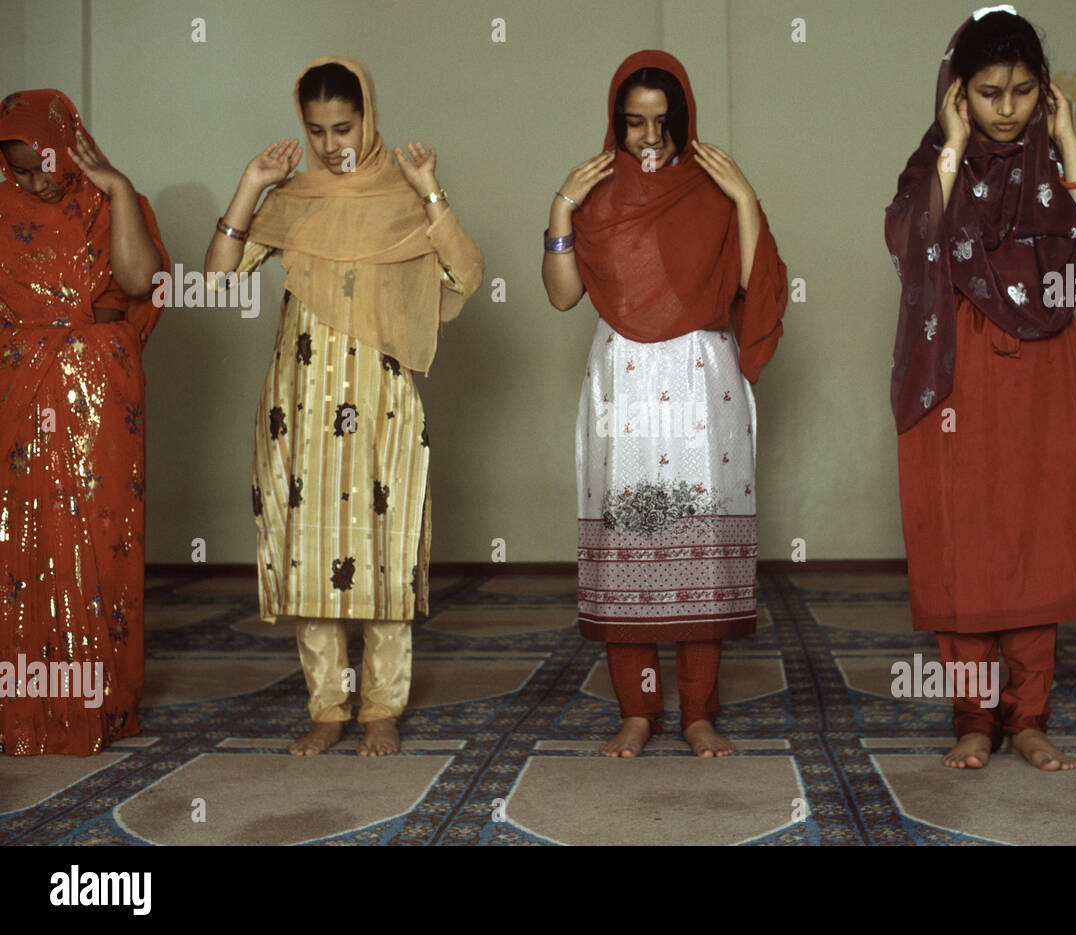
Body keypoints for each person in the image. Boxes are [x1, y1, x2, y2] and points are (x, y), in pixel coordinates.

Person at [203, 57, 483, 757]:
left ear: (370, 116)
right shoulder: (294, 200)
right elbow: (213, 280)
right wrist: (250, 187)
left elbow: (466, 273)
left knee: (381, 557)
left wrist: (431, 191)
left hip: (379, 406)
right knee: (310, 553)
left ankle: (382, 708)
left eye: (344, 126)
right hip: (299, 402)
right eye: (317, 129)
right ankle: (327, 705)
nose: (332, 143)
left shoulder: (403, 196)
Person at [885, 8, 1076, 771]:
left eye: (1023, 91)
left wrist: (1072, 138)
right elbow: (912, 237)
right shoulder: (933, 162)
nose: (1008, 107)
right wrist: (952, 144)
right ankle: (974, 720)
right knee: (966, 540)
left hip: (1045, 369)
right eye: (988, 92)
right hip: (961, 371)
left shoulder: (1052, 161)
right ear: (958, 93)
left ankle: (1029, 717)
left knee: (1040, 538)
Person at [543, 50, 787, 758]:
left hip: (701, 378)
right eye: (633, 124)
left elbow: (754, 282)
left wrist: (743, 198)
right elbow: (562, 293)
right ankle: (638, 709)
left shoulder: (711, 193)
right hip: (622, 378)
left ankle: (701, 712)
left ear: (685, 122)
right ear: (615, 124)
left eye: (663, 123)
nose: (649, 139)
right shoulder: (594, 199)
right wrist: (561, 205)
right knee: (630, 544)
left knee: (701, 544)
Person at [0, 89, 168, 755]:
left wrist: (120, 190)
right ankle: (27, 704)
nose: (37, 179)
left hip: (101, 384)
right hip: (21, 385)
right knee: (25, 536)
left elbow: (139, 280)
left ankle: (107, 701)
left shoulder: (110, 199)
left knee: (105, 533)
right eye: (20, 169)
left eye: (44, 162)